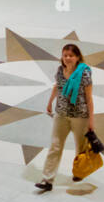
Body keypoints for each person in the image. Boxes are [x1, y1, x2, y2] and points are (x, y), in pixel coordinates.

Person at [34, 44, 95, 192]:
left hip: (80, 116)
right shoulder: (60, 70)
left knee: (80, 147)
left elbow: (89, 98)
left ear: (78, 57)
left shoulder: (84, 73)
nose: (67, 58)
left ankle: (79, 172)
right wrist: (50, 102)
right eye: (65, 55)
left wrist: (91, 121)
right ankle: (47, 179)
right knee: (55, 145)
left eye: (71, 55)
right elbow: (57, 86)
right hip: (61, 114)